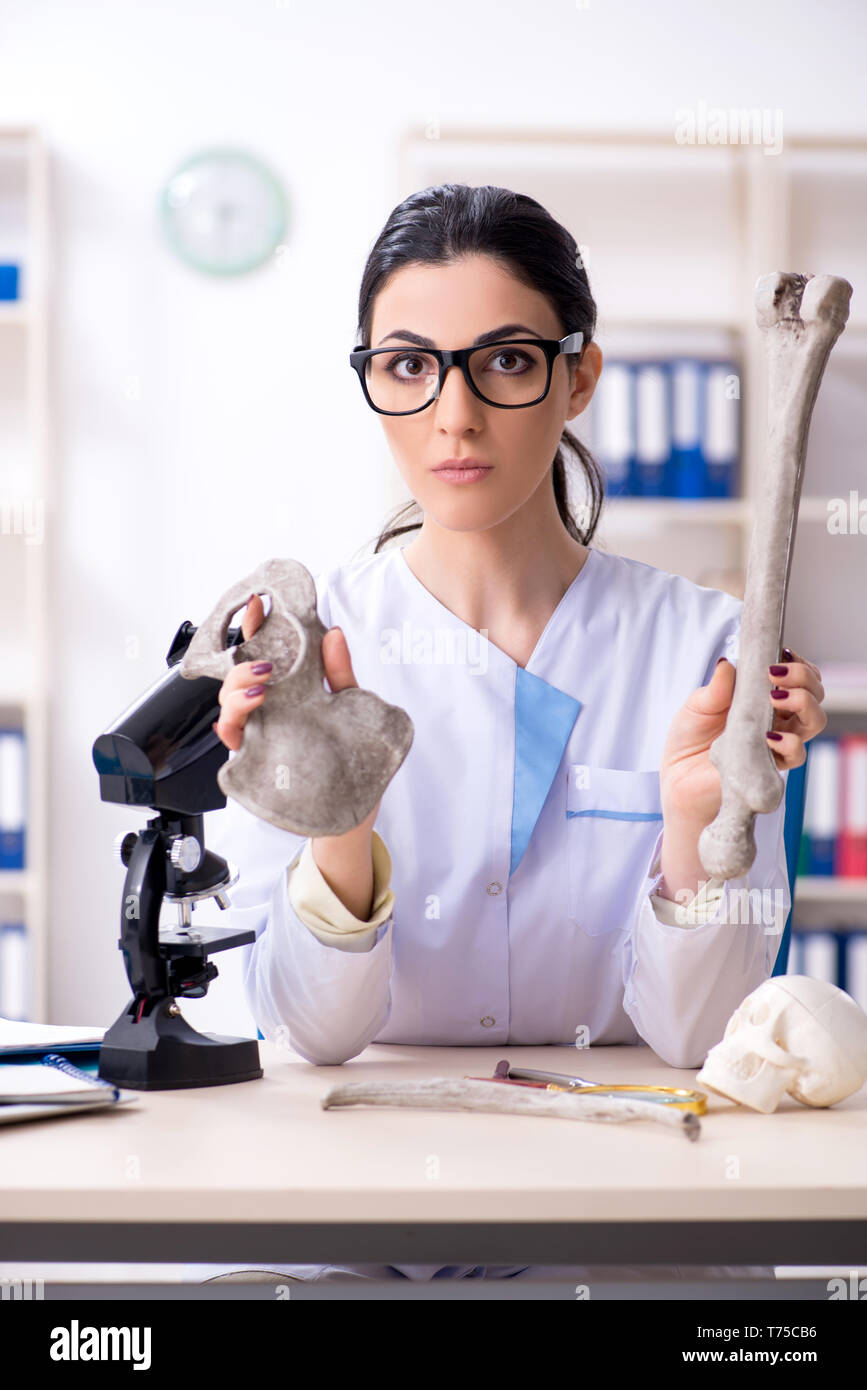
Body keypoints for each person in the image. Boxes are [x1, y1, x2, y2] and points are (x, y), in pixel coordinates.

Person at [188, 183, 827, 1286]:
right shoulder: (305, 647)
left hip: (633, 1203)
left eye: (506, 360)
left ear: (578, 375)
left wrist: (688, 831)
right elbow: (310, 1034)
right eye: (408, 364)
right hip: (362, 1186)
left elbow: (704, 1035)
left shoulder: (706, 647)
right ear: (372, 380)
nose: (453, 415)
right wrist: (342, 832)